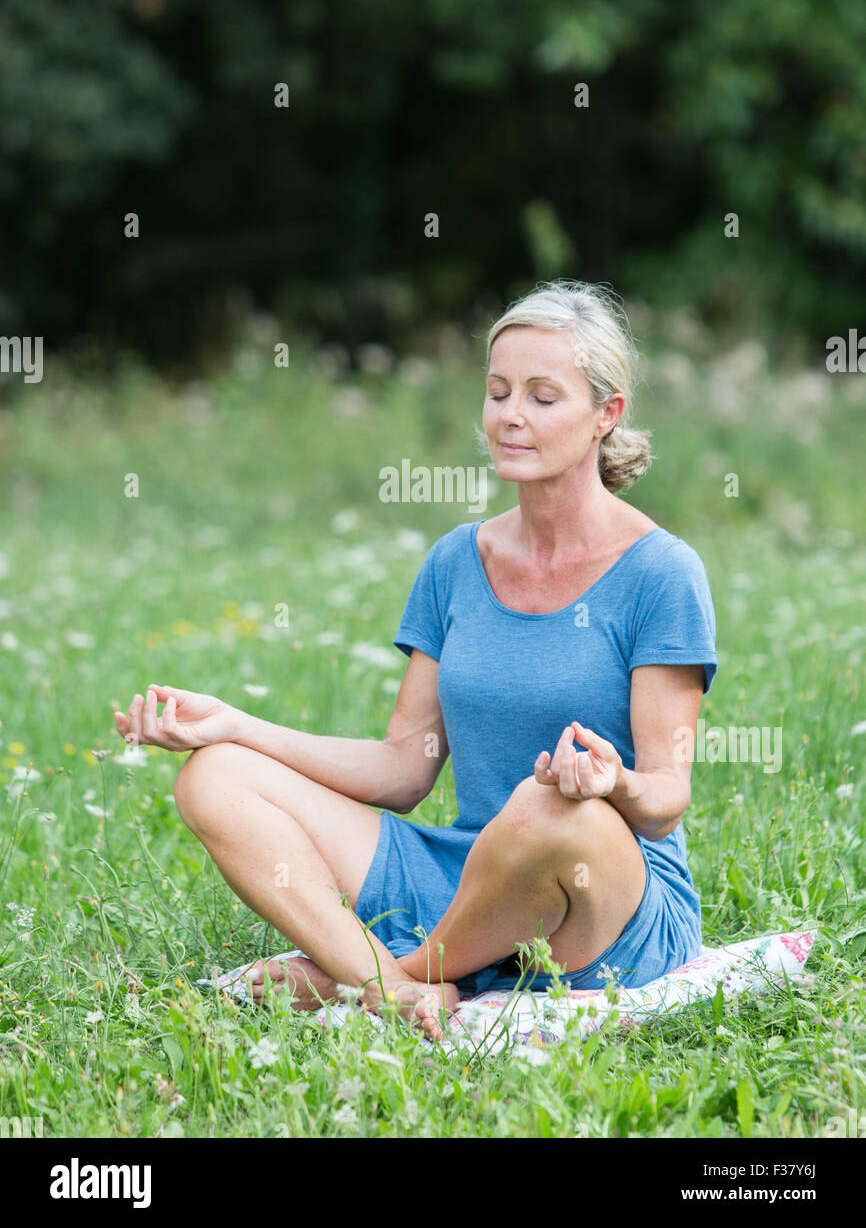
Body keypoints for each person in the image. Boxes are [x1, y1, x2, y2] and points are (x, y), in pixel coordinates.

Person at [114, 280, 717, 1042]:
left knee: (546, 808)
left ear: (607, 415)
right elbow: (404, 769)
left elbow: (666, 795)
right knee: (215, 775)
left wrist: (614, 781)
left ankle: (377, 977)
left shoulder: (661, 572)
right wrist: (235, 725)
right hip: (466, 876)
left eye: (542, 396)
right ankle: (394, 986)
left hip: (608, 902)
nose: (510, 416)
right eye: (498, 392)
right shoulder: (456, 561)